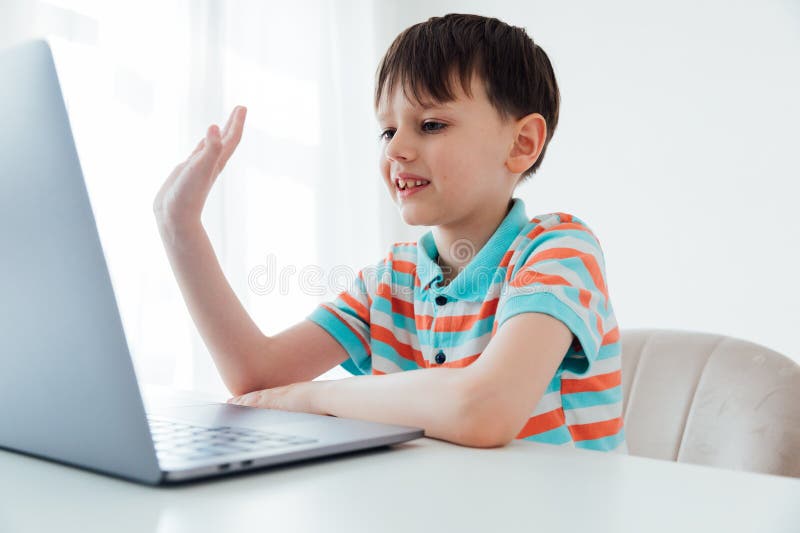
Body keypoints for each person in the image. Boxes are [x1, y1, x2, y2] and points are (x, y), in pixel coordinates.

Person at [153, 13, 625, 451]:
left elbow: (486, 408)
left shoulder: (560, 249)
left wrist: (314, 399)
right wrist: (181, 228)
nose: (397, 148)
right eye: (387, 131)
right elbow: (257, 378)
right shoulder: (389, 280)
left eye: (431, 124)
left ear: (522, 144)